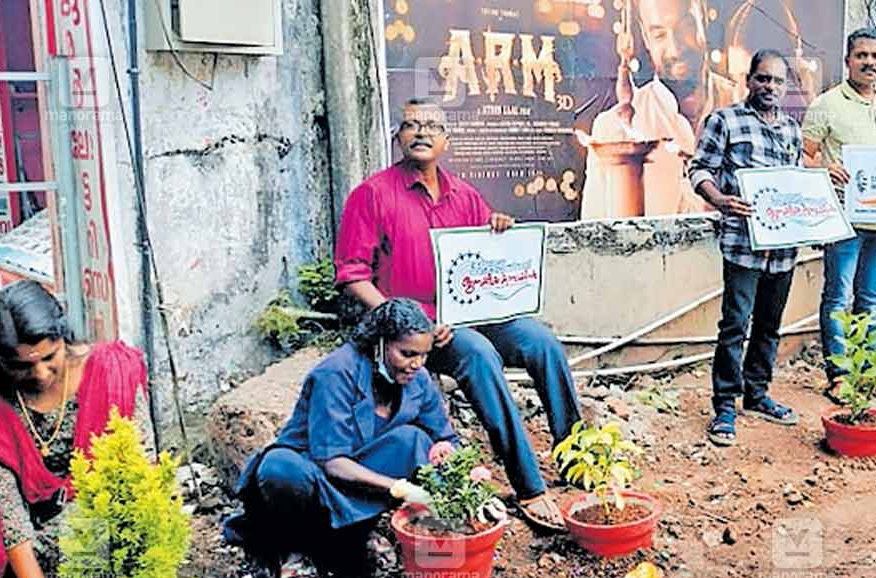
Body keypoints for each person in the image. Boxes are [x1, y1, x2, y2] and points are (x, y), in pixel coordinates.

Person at [335, 98, 579, 532]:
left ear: (447, 139)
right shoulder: (372, 194)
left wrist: (499, 227)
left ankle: (576, 456)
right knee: (479, 354)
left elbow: (488, 252)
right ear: (399, 138)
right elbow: (353, 275)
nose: (421, 133)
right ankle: (529, 487)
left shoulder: (464, 195)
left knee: (541, 340)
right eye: (411, 125)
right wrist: (404, 320)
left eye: (431, 125)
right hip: (418, 326)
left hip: (473, 310)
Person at [225, 300, 479, 578]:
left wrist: (466, 479)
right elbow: (332, 462)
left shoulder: (418, 379)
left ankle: (352, 536)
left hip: (361, 481)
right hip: (315, 481)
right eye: (407, 354)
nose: (417, 364)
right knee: (281, 468)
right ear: (379, 343)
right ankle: (295, 548)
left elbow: (445, 438)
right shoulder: (336, 373)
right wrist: (400, 488)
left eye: (424, 355)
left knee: (415, 441)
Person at [0, 281, 156, 578]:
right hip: (20, 538)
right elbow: (3, 503)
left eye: (49, 357)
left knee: (90, 532)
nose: (39, 375)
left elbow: (139, 464)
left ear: (63, 336)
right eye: (21, 366)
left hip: (100, 520)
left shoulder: (113, 371)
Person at [688, 49, 802, 446]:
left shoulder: (791, 128)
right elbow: (699, 167)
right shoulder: (725, 120)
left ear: (787, 87)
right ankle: (724, 406)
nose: (770, 87)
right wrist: (718, 199)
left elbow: (796, 182)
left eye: (777, 81)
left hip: (783, 247)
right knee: (735, 325)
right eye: (763, 79)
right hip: (742, 244)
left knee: (769, 326)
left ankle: (757, 394)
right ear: (749, 80)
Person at [802, 28, 876, 404]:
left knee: (871, 298)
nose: (869, 62)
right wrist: (823, 170)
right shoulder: (826, 104)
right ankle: (839, 376)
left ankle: (869, 374)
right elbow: (806, 156)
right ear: (848, 60)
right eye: (861, 55)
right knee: (837, 297)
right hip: (842, 218)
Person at [581, 0, 739, 218]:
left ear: (702, 17)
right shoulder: (612, 130)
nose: (675, 48)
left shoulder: (745, 108)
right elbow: (594, 238)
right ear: (646, 39)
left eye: (686, 27)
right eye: (659, 35)